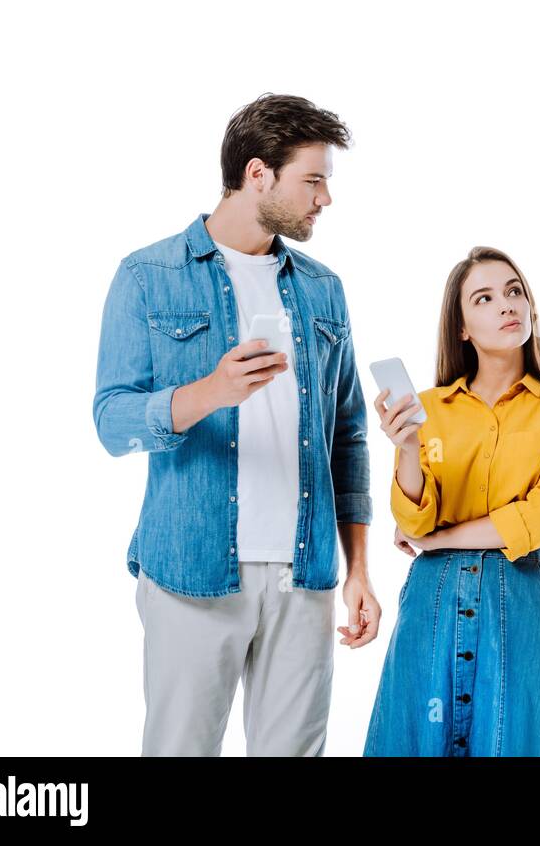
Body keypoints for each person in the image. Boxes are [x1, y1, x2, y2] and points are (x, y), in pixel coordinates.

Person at [92, 93, 377, 756]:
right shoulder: (147, 276)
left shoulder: (323, 288)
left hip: (303, 574)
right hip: (192, 573)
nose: (324, 198)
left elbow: (350, 434)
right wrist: (210, 391)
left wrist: (358, 566)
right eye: (313, 179)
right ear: (257, 174)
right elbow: (111, 421)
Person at [363, 247, 540, 756]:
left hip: (519, 601)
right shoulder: (426, 409)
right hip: (433, 600)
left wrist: (438, 537)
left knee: (515, 737)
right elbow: (409, 515)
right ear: (462, 327)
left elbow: (538, 519)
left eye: (514, 292)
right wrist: (406, 450)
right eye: (484, 298)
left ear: (531, 307)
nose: (506, 305)